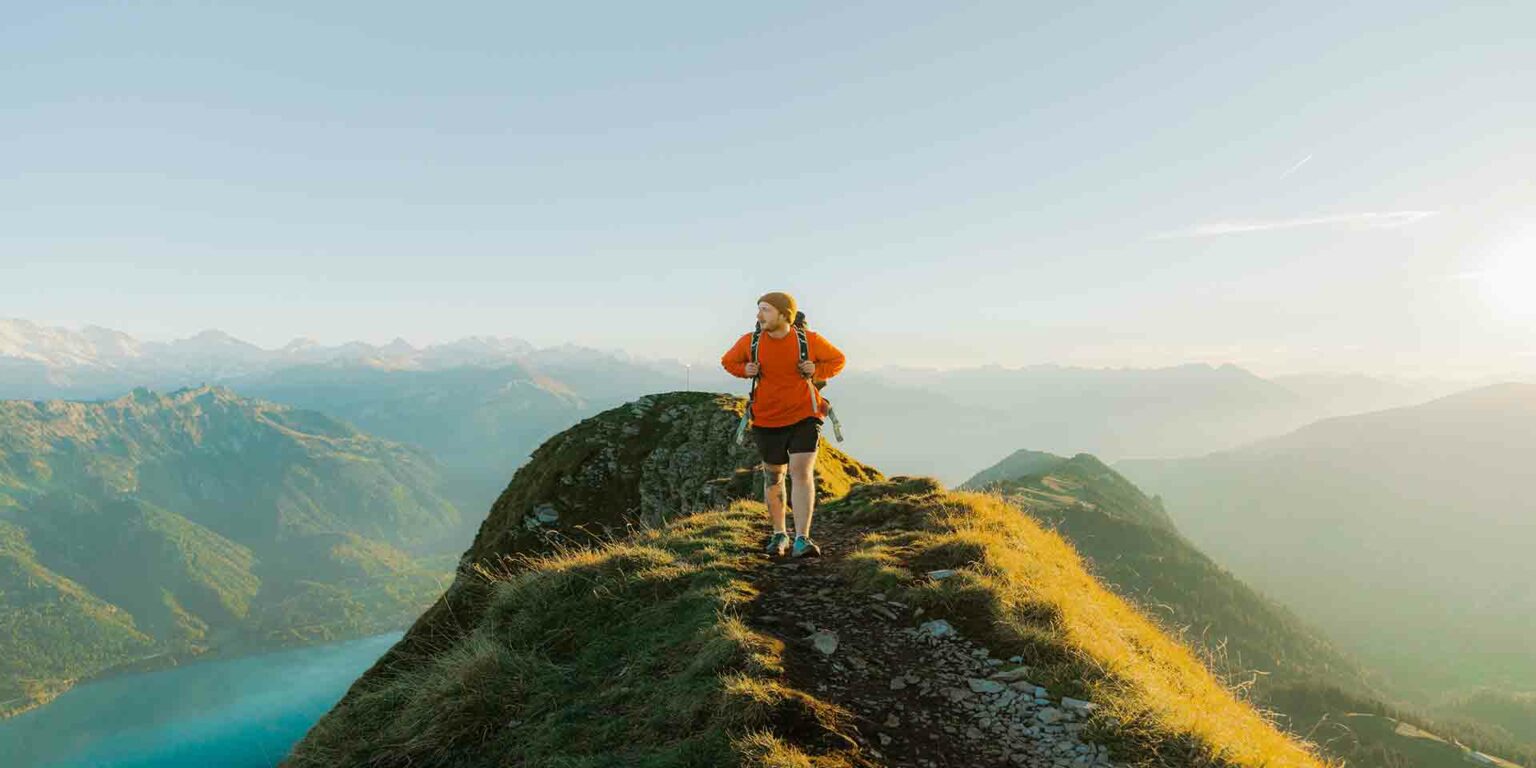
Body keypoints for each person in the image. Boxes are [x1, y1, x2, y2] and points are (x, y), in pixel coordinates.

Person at [720, 291, 846, 558]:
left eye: (765, 309)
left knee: (801, 472)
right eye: (759, 309)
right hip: (767, 418)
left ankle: (802, 538)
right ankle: (779, 534)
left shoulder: (808, 340)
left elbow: (838, 360)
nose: (759, 315)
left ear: (783, 313)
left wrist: (816, 370)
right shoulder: (751, 342)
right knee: (774, 476)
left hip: (805, 415)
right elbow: (728, 361)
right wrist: (745, 370)